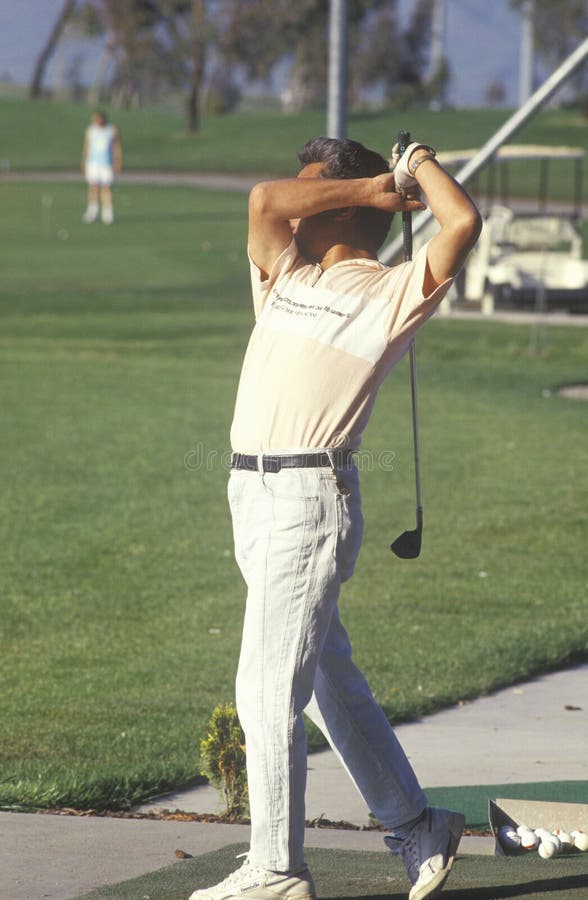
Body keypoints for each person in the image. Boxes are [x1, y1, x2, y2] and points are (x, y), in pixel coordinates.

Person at [190, 137, 482, 900]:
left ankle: (278, 871)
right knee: (324, 682)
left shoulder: (389, 291)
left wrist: (409, 168)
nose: (293, 199)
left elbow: (461, 222)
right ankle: (417, 827)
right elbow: (262, 202)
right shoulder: (282, 270)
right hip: (250, 499)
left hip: (308, 503)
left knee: (264, 688)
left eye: (310, 188)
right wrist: (361, 185)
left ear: (347, 205)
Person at [81, 110, 122, 224]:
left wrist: (117, 162)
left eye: (97, 119)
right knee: (93, 187)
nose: (96, 121)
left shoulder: (111, 130)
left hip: (107, 164)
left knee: (106, 187)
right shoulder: (91, 130)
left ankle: (107, 212)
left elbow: (116, 147)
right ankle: (92, 211)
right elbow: (87, 147)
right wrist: (84, 162)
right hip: (93, 163)